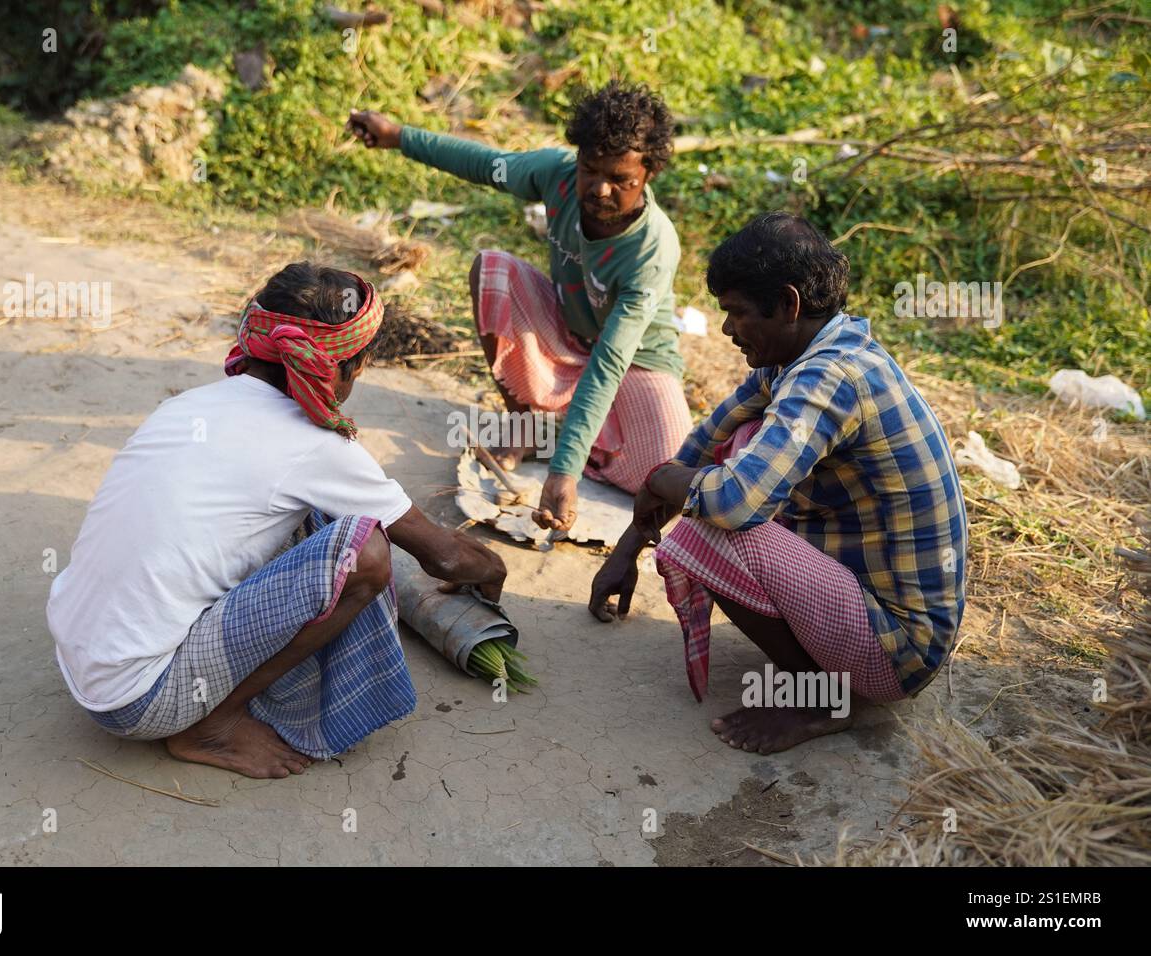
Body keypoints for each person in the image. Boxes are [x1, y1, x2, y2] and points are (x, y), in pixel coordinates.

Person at [47, 262, 506, 779]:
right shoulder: (316, 446)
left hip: (81, 659)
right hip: (140, 701)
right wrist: (490, 570)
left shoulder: (191, 406)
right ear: (345, 368)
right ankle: (212, 726)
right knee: (365, 554)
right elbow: (443, 556)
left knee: (319, 509)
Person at [589, 213, 967, 754]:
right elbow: (706, 441)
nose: (726, 329)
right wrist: (629, 546)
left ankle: (823, 699)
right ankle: (821, 662)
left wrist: (667, 479)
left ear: (787, 305)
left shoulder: (828, 376)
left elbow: (730, 503)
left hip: (901, 649)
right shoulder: (806, 354)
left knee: (710, 526)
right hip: (872, 603)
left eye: (737, 313)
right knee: (739, 442)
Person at [349, 80, 691, 532]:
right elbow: (484, 163)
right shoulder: (556, 174)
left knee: (664, 474)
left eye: (622, 181)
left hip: (636, 363)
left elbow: (610, 362)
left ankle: (566, 438)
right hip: (568, 336)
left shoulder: (652, 249)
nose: (601, 190)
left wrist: (564, 471)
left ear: (649, 175)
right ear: (578, 159)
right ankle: (532, 426)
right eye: (591, 170)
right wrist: (399, 137)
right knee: (494, 269)